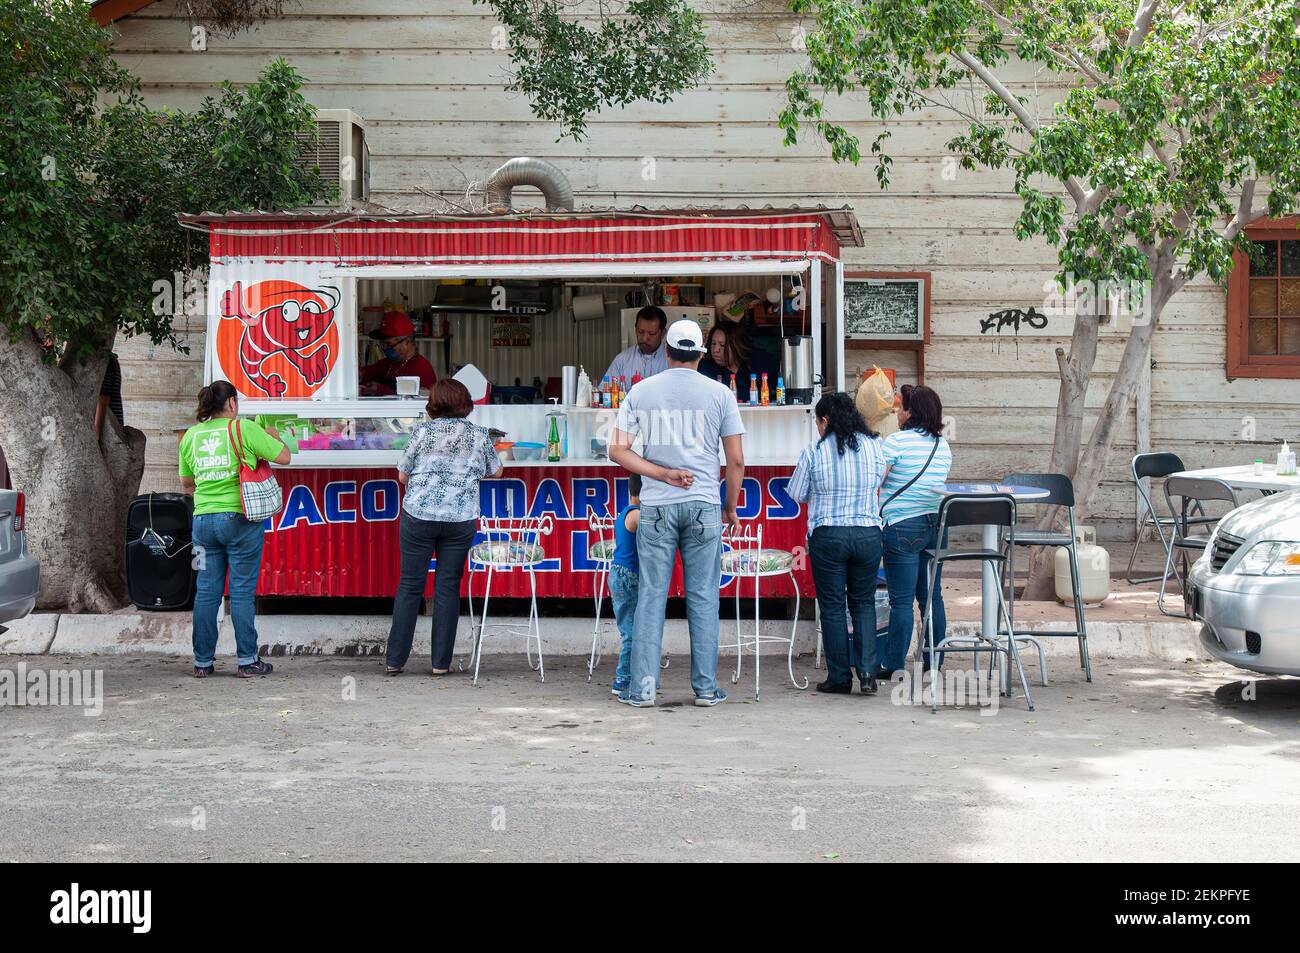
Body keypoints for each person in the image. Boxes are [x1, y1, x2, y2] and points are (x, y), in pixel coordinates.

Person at [609, 319, 745, 708]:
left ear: (666, 352)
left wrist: (661, 473)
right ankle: (705, 689)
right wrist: (730, 507)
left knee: (652, 596)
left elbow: (617, 451)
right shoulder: (720, 394)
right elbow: (735, 461)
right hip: (704, 505)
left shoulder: (640, 391)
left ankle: (642, 689)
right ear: (701, 354)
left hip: (655, 507)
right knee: (703, 598)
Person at [386, 378, 502, 676]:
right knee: (447, 587)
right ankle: (440, 664)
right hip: (459, 519)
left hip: (419, 516)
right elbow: (497, 471)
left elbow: (402, 475)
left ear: (434, 403)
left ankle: (395, 661)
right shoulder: (478, 435)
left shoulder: (422, 431)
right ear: (465, 403)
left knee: (410, 585)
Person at [178, 380, 289, 678]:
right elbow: (284, 456)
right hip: (240, 520)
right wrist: (274, 437)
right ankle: (248, 661)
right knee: (240, 592)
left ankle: (202, 663)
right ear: (231, 404)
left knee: (205, 593)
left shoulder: (190, 436)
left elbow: (187, 485)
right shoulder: (243, 429)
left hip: (202, 523)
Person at [788, 392, 886, 695]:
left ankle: (840, 678)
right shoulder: (874, 447)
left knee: (832, 606)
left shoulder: (814, 452)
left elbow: (796, 493)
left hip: (829, 536)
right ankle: (868, 674)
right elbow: (879, 481)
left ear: (825, 420)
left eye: (818, 422)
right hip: (868, 534)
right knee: (863, 602)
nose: (817, 428)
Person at [878, 384, 953, 677]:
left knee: (900, 600)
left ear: (911, 412)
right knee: (932, 596)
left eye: (901, 406)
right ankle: (934, 661)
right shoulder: (943, 446)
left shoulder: (895, 443)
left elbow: (876, 481)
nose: (897, 410)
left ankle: (893, 663)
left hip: (902, 527)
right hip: (936, 526)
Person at [607, 474, 642, 697]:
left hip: (620, 574)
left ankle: (632, 675)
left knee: (630, 629)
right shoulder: (636, 514)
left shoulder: (624, 512)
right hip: (628, 576)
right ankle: (623, 679)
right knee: (631, 631)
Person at [360, 311, 436, 396]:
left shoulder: (421, 368)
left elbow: (417, 400)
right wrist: (359, 374)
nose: (385, 349)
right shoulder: (388, 363)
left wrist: (381, 391)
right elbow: (368, 372)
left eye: (389, 344)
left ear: (406, 342)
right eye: (383, 344)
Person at [698, 321, 779, 397]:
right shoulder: (705, 369)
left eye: (722, 345)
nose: (715, 350)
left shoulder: (761, 362)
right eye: (713, 343)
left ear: (737, 346)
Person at [604, 305, 667, 384]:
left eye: (651, 334)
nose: (644, 338)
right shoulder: (622, 360)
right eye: (640, 332)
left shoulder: (672, 360)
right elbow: (605, 393)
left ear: (663, 333)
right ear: (635, 329)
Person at [97, 355, 124, 437]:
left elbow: (102, 399)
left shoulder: (100, 359)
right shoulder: (110, 359)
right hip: (112, 429)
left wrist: (96, 435)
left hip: (107, 432)